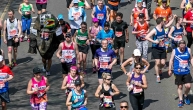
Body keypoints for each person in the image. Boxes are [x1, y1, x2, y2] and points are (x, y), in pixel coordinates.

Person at [145, 17, 175, 83]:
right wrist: (154, 41)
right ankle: (158, 76)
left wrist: (173, 18)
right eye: (163, 21)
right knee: (157, 62)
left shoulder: (163, 27)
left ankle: (160, 69)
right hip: (156, 48)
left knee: (163, 63)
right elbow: (146, 37)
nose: (164, 22)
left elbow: (169, 24)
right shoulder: (155, 30)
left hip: (163, 48)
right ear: (161, 22)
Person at [168, 40, 193, 108]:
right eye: (181, 47)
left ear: (185, 45)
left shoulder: (188, 50)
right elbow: (171, 60)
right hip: (178, 72)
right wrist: (170, 69)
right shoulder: (175, 51)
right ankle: (181, 100)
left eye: (183, 47)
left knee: (188, 86)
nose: (182, 48)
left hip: (186, 71)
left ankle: (185, 95)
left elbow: (191, 58)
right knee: (180, 86)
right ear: (179, 45)